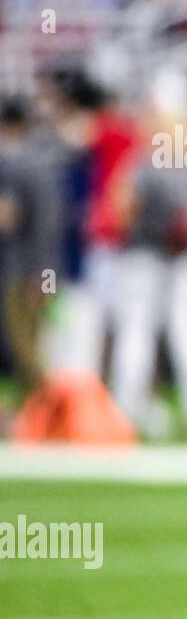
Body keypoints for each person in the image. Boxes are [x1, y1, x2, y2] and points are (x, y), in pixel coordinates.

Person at [0, 96, 64, 399]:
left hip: (22, 268)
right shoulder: (44, 160)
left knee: (22, 342)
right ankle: (36, 408)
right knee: (38, 339)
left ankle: (45, 408)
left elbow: (6, 216)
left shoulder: (12, 164)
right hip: (48, 265)